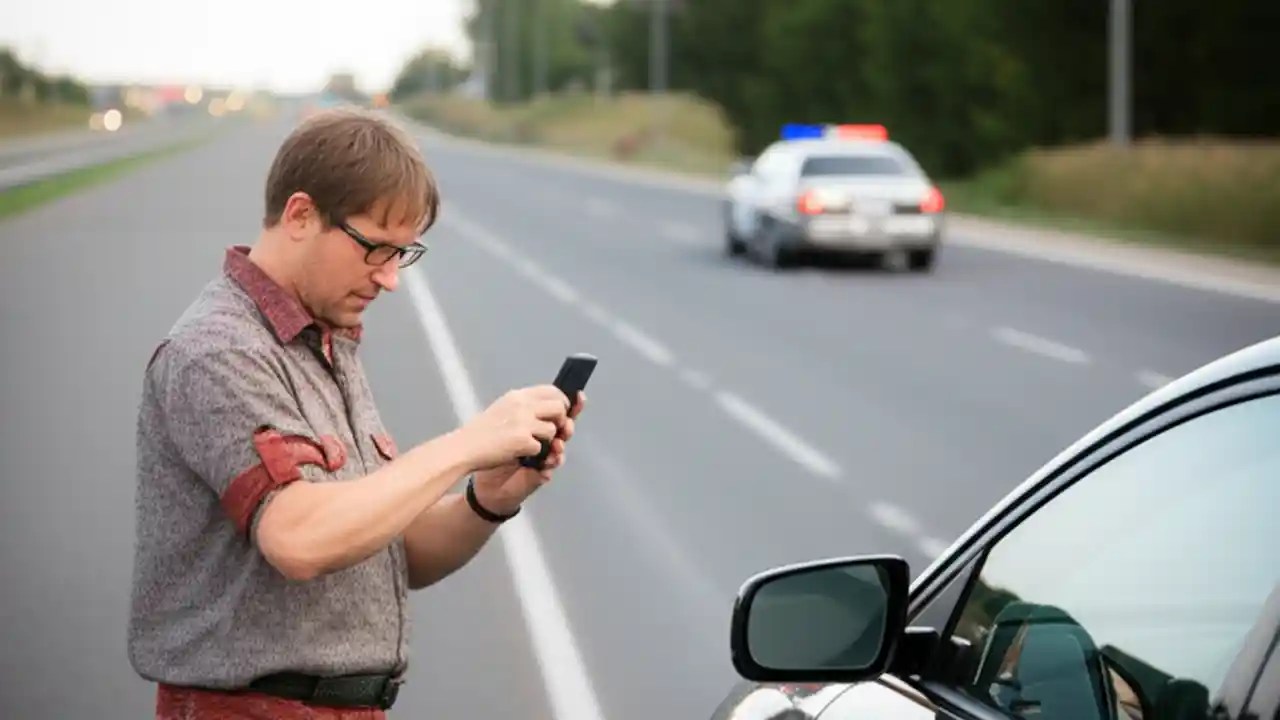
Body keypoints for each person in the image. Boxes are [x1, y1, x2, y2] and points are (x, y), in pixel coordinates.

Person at [128, 107, 585, 719]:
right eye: (377, 249)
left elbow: (390, 556)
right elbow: (299, 538)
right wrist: (469, 442)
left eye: (404, 254)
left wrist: (489, 498)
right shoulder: (218, 351)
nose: (391, 279)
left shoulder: (327, 339)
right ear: (300, 215)